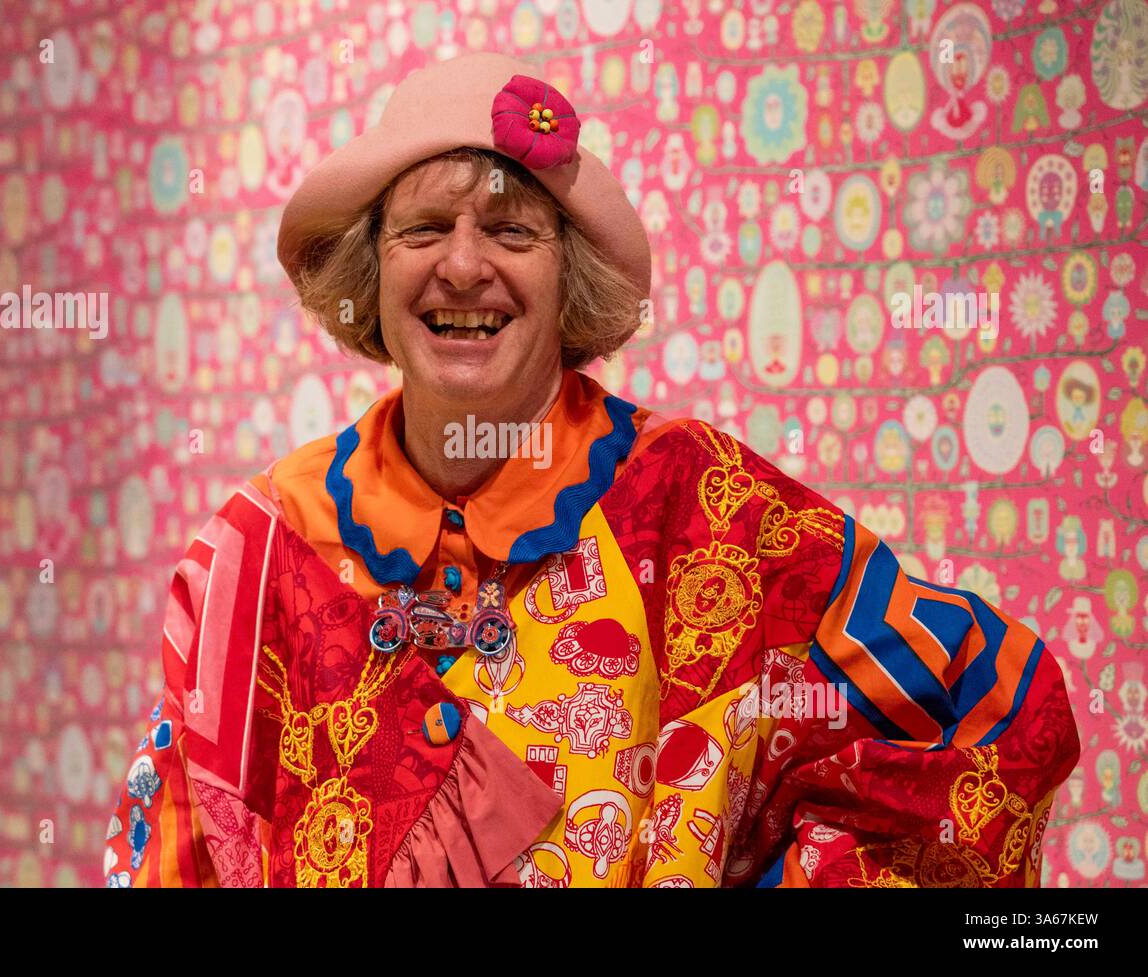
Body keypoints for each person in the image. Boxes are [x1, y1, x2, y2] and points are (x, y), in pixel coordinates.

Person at [102, 52, 1079, 888]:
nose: (463, 266)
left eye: (511, 231)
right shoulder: (256, 546)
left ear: (570, 278)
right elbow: (176, 853)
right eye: (422, 228)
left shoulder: (695, 502)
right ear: (370, 273)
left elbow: (992, 703)